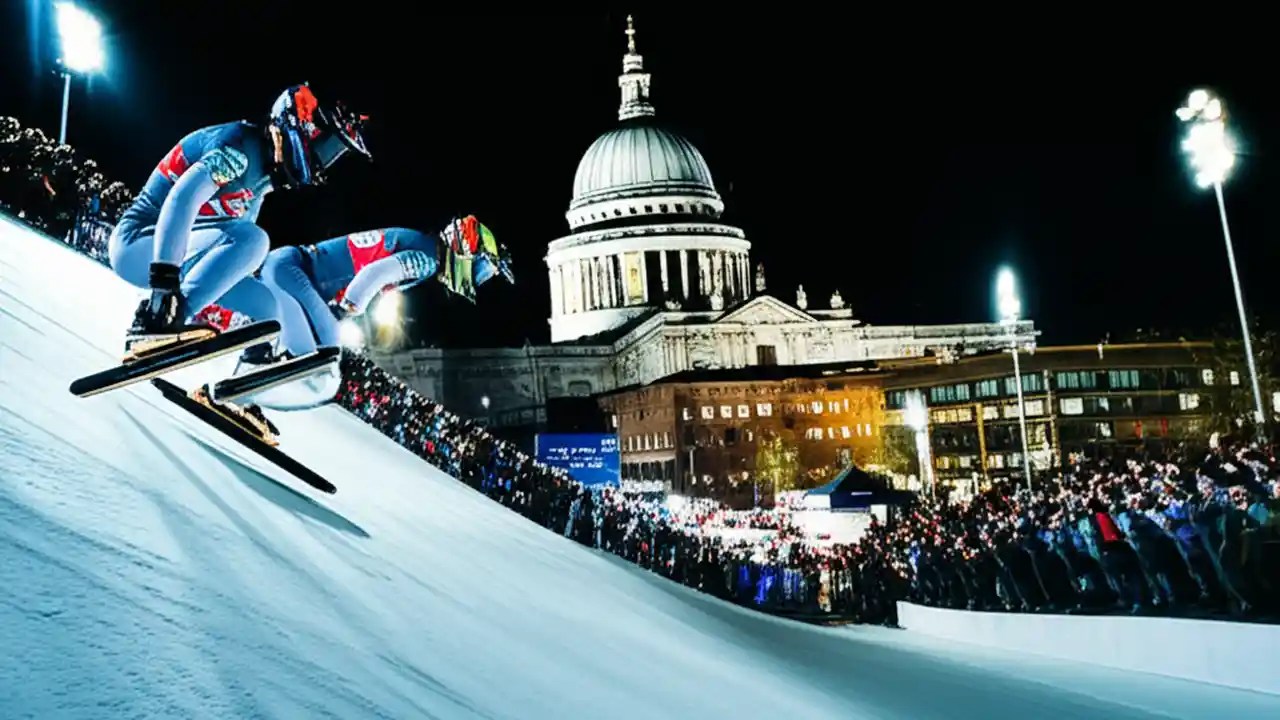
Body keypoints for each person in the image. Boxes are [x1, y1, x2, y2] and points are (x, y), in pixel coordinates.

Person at [107, 83, 371, 369]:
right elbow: (181, 198)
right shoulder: (239, 149)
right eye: (328, 149)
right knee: (254, 240)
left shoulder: (263, 180)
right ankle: (159, 320)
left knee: (270, 310)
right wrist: (164, 289)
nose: (324, 166)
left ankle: (245, 385)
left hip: (177, 256)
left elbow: (228, 256)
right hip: (138, 245)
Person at [251, 216, 512, 409]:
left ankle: (253, 369)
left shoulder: (422, 246)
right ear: (465, 252)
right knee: (326, 351)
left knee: (315, 349)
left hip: (289, 267)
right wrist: (347, 308)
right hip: (293, 273)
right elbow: (374, 273)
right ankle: (252, 392)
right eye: (481, 269)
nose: (478, 278)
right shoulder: (427, 261)